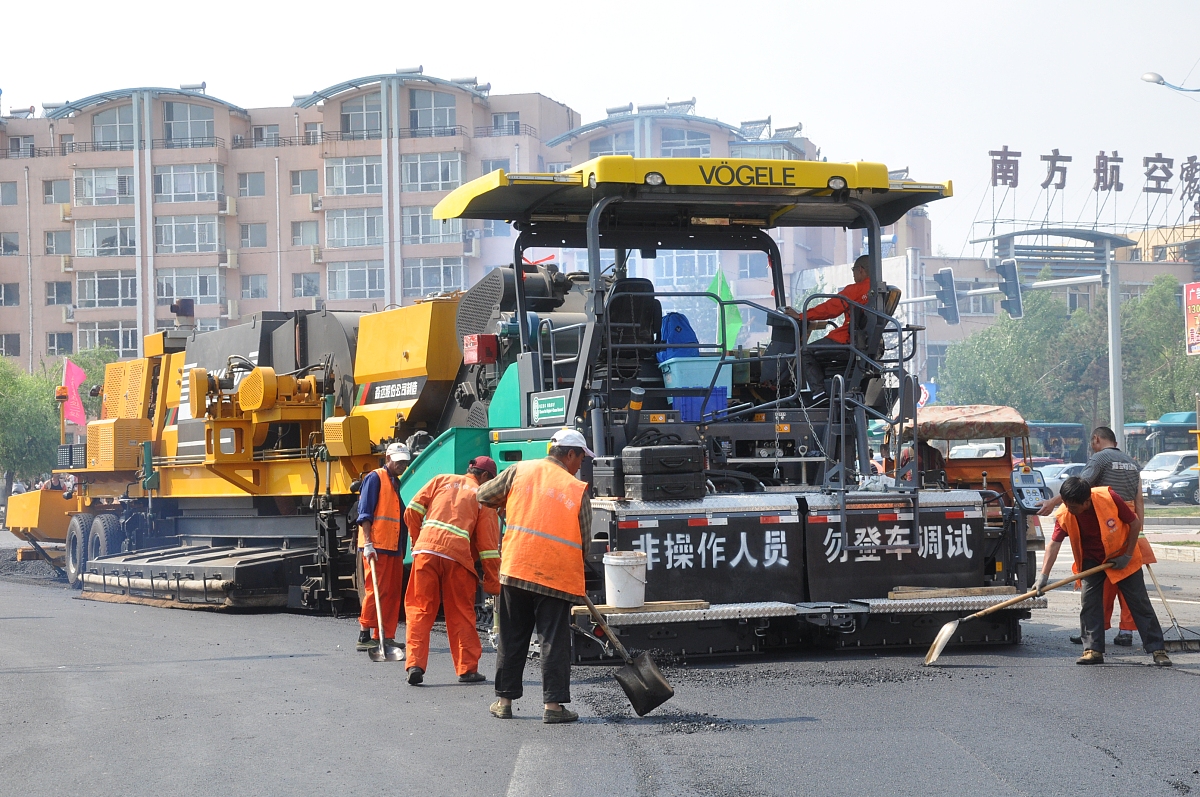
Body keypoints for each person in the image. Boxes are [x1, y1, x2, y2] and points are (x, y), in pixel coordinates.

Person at [477, 428, 593, 724]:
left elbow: (483, 495)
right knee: (553, 639)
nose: (581, 464)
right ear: (569, 454)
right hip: (554, 577)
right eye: (581, 457)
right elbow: (584, 540)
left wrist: (505, 505)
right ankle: (553, 708)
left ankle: (503, 702)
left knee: (512, 637)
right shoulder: (576, 489)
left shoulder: (520, 470)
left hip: (516, 569)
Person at [1033, 477, 1169, 666]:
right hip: (1091, 560)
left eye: (1073, 506)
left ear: (1086, 502)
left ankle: (1158, 650)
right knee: (1089, 603)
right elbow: (1054, 544)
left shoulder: (1108, 498)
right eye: (1066, 504)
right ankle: (1092, 650)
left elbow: (1135, 524)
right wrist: (1043, 577)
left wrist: (1127, 556)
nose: (1069, 509)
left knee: (1139, 603)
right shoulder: (1065, 513)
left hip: (1121, 555)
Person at [1038, 426, 1144, 645]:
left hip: (1106, 522)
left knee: (1098, 584)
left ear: (1096, 439)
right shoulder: (1132, 462)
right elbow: (1138, 498)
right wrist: (1139, 529)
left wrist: (1052, 502)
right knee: (1127, 581)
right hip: (1128, 524)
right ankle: (1126, 631)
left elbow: (1079, 488)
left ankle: (1093, 631)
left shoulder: (1100, 459)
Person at [402, 456, 501, 686]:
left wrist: (418, 540)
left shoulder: (441, 480)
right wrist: (492, 583)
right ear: (485, 477)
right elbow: (488, 548)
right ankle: (467, 669)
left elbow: (412, 511)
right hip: (456, 558)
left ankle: (415, 664)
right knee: (460, 612)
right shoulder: (483, 498)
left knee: (419, 609)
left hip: (425, 552)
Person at [783, 255, 871, 396]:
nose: (853, 274)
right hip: (867, 343)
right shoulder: (882, 291)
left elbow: (830, 309)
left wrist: (800, 315)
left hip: (847, 340)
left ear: (860, 270)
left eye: (853, 270)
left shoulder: (855, 290)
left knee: (805, 352)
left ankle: (818, 393)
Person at [355, 442, 411, 653]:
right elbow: (365, 514)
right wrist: (368, 543)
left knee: (392, 593)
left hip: (393, 546)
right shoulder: (375, 478)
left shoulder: (394, 481)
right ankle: (364, 635)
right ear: (388, 459)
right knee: (375, 590)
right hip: (377, 546)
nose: (402, 466)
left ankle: (385, 635)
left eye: (405, 462)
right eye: (398, 462)